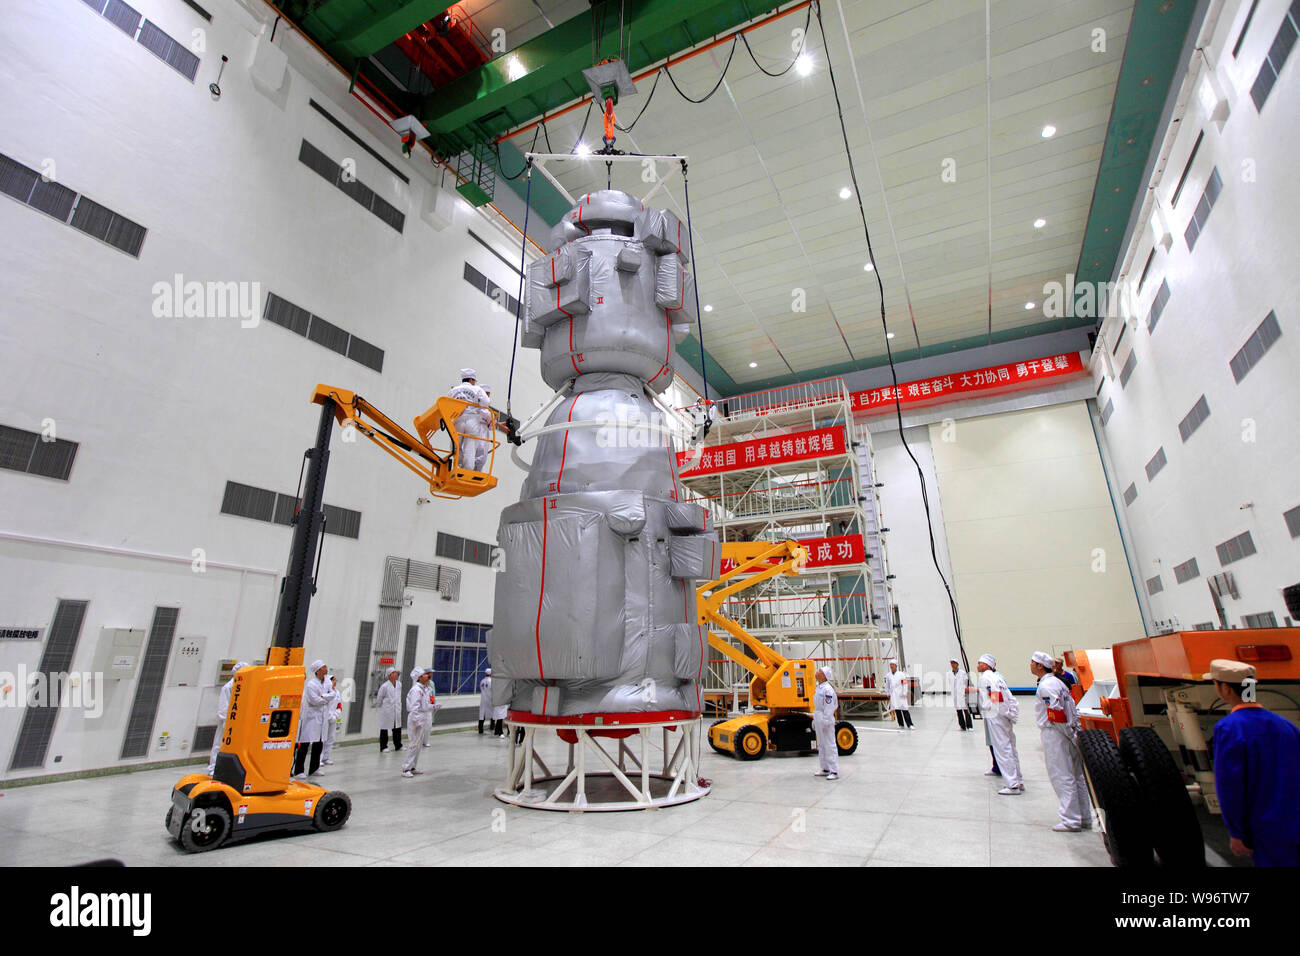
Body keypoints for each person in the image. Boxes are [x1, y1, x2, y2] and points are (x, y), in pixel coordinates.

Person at [1206, 659, 1300, 866]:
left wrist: (1237, 832)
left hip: (1266, 830)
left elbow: (1230, 785)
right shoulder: (1286, 726)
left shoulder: (1229, 728)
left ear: (1226, 688)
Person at [1030, 651, 1090, 831]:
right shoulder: (1058, 683)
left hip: (1056, 733)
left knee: (1062, 775)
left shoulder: (1047, 686)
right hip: (1066, 731)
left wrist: (1067, 735)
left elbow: (1056, 714)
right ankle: (1084, 816)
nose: (1031, 665)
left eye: (1032, 662)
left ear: (1040, 666)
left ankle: (1070, 819)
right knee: (1076, 775)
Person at [977, 653, 1022, 794]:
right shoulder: (998, 678)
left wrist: (995, 710)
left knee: (1002, 749)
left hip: (996, 715)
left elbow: (995, 696)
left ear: (986, 665)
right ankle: (1018, 780)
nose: (977, 665)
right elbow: (1009, 697)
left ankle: (1012, 784)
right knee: (1010, 748)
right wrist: (1010, 714)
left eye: (979, 663)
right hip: (1003, 715)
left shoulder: (986, 678)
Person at [293, 659, 337, 778]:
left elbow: (333, 694)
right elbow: (315, 700)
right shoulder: (311, 684)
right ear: (318, 670)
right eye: (323, 667)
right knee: (305, 743)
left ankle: (314, 768)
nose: (326, 668)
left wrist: (323, 696)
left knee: (319, 743)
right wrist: (325, 698)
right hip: (312, 717)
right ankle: (299, 770)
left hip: (322, 717)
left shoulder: (327, 682)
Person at [206, 661, 250, 776]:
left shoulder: (245, 687)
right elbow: (223, 708)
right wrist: (227, 722)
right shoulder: (228, 688)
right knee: (219, 744)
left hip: (238, 722)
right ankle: (213, 767)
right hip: (227, 722)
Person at [448, 368, 489, 472]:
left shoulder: (453, 390)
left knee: (456, 444)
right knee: (470, 446)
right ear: (471, 379)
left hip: (458, 419)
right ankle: (467, 470)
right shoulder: (477, 389)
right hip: (472, 420)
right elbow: (486, 403)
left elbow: (447, 404)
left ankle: (457, 466)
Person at [402, 668, 439, 777]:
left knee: (418, 745)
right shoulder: (416, 690)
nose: (427, 676)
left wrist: (433, 706)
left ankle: (413, 767)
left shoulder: (425, 689)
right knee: (414, 744)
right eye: (424, 675)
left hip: (422, 718)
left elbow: (425, 705)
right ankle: (406, 768)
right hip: (415, 720)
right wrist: (417, 721)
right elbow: (414, 708)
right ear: (419, 678)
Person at [812, 666, 839, 780]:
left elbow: (829, 707)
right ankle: (825, 768)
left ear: (824, 675)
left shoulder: (827, 690)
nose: (816, 673)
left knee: (829, 744)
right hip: (818, 716)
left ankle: (834, 770)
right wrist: (815, 719)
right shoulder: (819, 688)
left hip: (825, 718)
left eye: (819, 671)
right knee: (821, 744)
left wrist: (826, 720)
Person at [376, 666, 403, 753]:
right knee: (384, 728)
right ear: (390, 675)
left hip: (396, 709)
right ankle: (383, 746)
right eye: (395, 673)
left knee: (397, 727)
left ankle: (398, 745)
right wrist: (383, 706)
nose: (397, 674)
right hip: (387, 710)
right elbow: (379, 698)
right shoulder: (385, 686)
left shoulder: (399, 684)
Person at [320, 673, 342, 765]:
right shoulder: (324, 692)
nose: (335, 682)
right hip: (324, 718)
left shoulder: (337, 692)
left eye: (335, 680)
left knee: (330, 738)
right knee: (322, 739)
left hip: (333, 718)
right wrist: (329, 715)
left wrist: (336, 715)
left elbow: (339, 706)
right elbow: (323, 705)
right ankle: (319, 758)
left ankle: (326, 757)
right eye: (333, 680)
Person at [884, 660, 913, 729]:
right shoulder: (888, 675)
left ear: (896, 666)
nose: (891, 666)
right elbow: (887, 685)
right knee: (897, 710)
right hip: (893, 695)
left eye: (893, 665)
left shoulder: (901, 674)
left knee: (904, 709)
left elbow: (905, 683)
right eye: (890, 665)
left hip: (901, 694)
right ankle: (901, 724)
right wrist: (887, 693)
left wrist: (904, 692)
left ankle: (910, 724)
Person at [949, 657, 972, 731]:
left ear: (957, 664)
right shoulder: (949, 673)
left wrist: (965, 691)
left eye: (954, 663)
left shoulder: (962, 673)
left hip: (962, 694)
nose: (953, 665)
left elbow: (966, 682)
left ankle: (969, 726)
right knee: (958, 711)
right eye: (951, 663)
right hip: (955, 695)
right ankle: (962, 726)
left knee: (966, 710)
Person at [478, 667, 493, 735]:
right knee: (493, 714)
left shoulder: (482, 681)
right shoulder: (492, 681)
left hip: (483, 700)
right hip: (490, 699)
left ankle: (480, 729)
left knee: (482, 715)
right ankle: (492, 728)